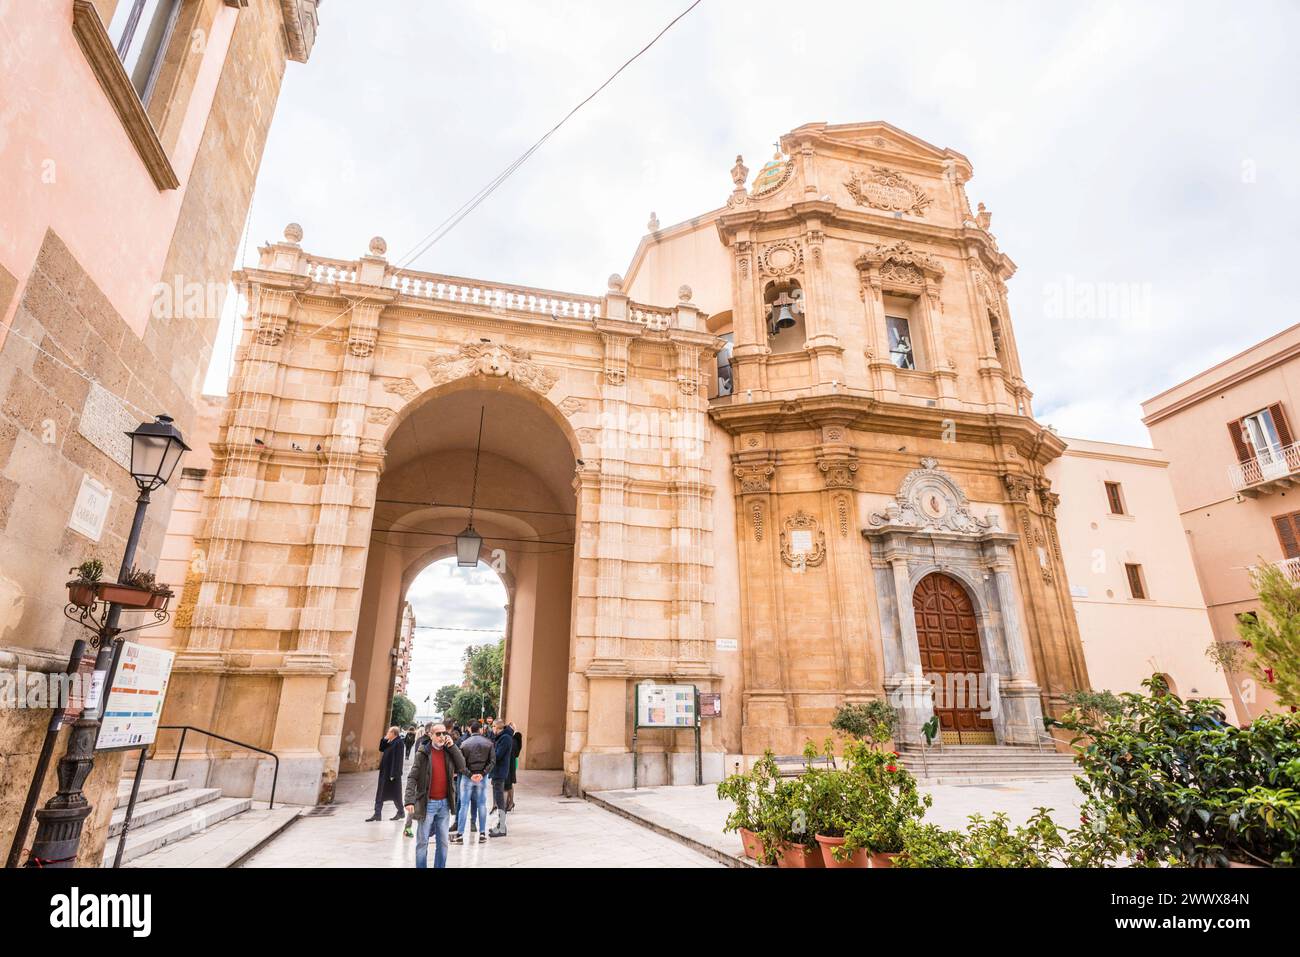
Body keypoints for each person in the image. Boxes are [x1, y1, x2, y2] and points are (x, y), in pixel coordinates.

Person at [404, 722, 465, 869]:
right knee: (422, 842)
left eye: (444, 733)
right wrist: (409, 800)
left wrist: (453, 746)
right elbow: (412, 777)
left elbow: (462, 766)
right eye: (438, 734)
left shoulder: (449, 751)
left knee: (443, 842)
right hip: (428, 803)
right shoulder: (423, 753)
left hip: (444, 804)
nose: (442, 736)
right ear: (430, 735)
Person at [450, 721, 494, 844]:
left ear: (470, 730)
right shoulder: (489, 743)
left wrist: (470, 775)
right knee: (481, 805)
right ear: (480, 730)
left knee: (464, 805)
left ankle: (460, 834)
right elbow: (492, 761)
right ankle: (482, 834)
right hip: (481, 778)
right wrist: (483, 774)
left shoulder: (464, 744)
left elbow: (460, 764)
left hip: (467, 778)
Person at [366, 726, 405, 822]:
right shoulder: (390, 741)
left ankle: (401, 812)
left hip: (392, 774)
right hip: (385, 772)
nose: (387, 733)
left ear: (393, 733)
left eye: (389, 732)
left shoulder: (399, 743)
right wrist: (384, 738)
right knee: (380, 793)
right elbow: (381, 748)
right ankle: (377, 814)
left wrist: (394, 774)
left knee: (396, 795)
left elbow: (398, 760)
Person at [487, 719, 514, 838]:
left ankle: (502, 826)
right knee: (498, 801)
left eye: (493, 726)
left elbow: (497, 755)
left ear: (498, 727)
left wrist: (489, 753)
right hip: (497, 772)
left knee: (500, 801)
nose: (492, 728)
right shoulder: (500, 737)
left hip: (500, 772)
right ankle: (500, 825)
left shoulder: (505, 738)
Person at [505, 723, 522, 812]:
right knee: (508, 782)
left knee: (509, 782)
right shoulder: (509, 737)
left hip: (512, 761)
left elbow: (516, 751)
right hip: (509, 761)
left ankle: (510, 802)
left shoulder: (515, 738)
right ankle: (509, 802)